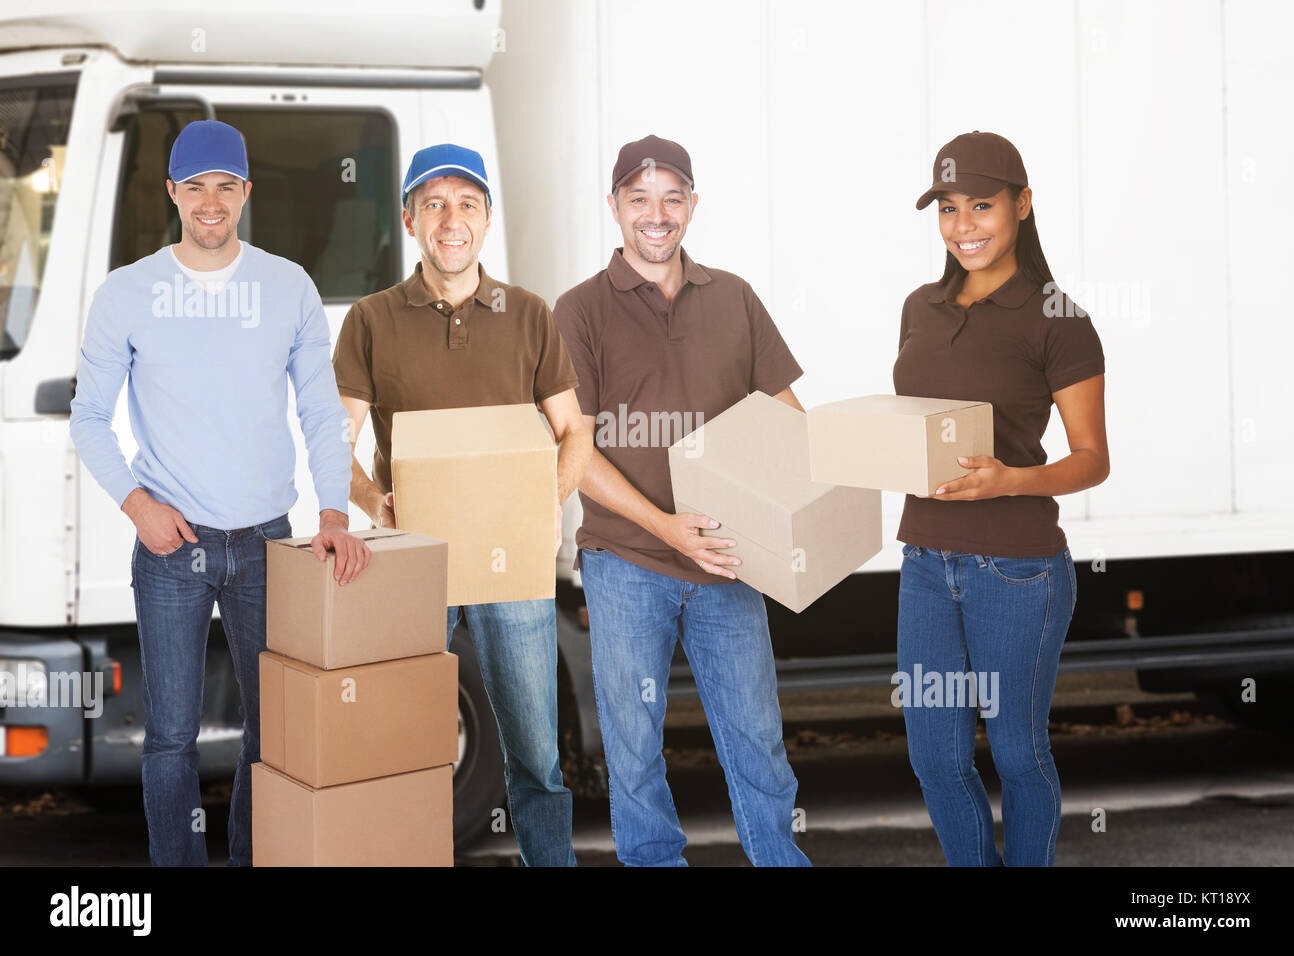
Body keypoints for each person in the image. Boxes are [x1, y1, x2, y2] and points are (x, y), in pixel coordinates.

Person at [69, 119, 370, 866]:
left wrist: (332, 510)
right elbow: (88, 417)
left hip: (270, 542)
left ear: (246, 192)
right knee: (171, 737)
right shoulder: (128, 293)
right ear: (172, 192)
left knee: (272, 732)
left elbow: (321, 411)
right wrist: (140, 508)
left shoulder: (286, 286)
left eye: (225, 186)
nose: (211, 201)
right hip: (174, 548)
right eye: (195, 186)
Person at [332, 143, 592, 867]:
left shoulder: (529, 315)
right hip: (413, 564)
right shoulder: (372, 320)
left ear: (486, 219)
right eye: (435, 204)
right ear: (412, 219)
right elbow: (333, 438)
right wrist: (370, 502)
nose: (453, 220)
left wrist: (537, 503)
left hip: (511, 570)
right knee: (406, 754)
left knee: (538, 756)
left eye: (467, 204)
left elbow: (576, 431)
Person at [554, 134, 810, 867]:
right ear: (615, 207)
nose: (656, 215)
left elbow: (786, 414)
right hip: (626, 561)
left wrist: (837, 479)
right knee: (633, 749)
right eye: (639, 199)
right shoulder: (580, 311)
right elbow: (577, 449)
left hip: (729, 557)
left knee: (758, 739)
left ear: (692, 206)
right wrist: (667, 528)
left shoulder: (732, 297)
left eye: (672, 198)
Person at [895, 130, 1109, 866]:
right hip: (924, 559)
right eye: (948, 209)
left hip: (1016, 570)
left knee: (1017, 752)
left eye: (981, 206)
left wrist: (1010, 479)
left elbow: (1092, 461)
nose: (964, 227)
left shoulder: (1059, 317)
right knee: (935, 757)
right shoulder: (920, 306)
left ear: (1022, 205)